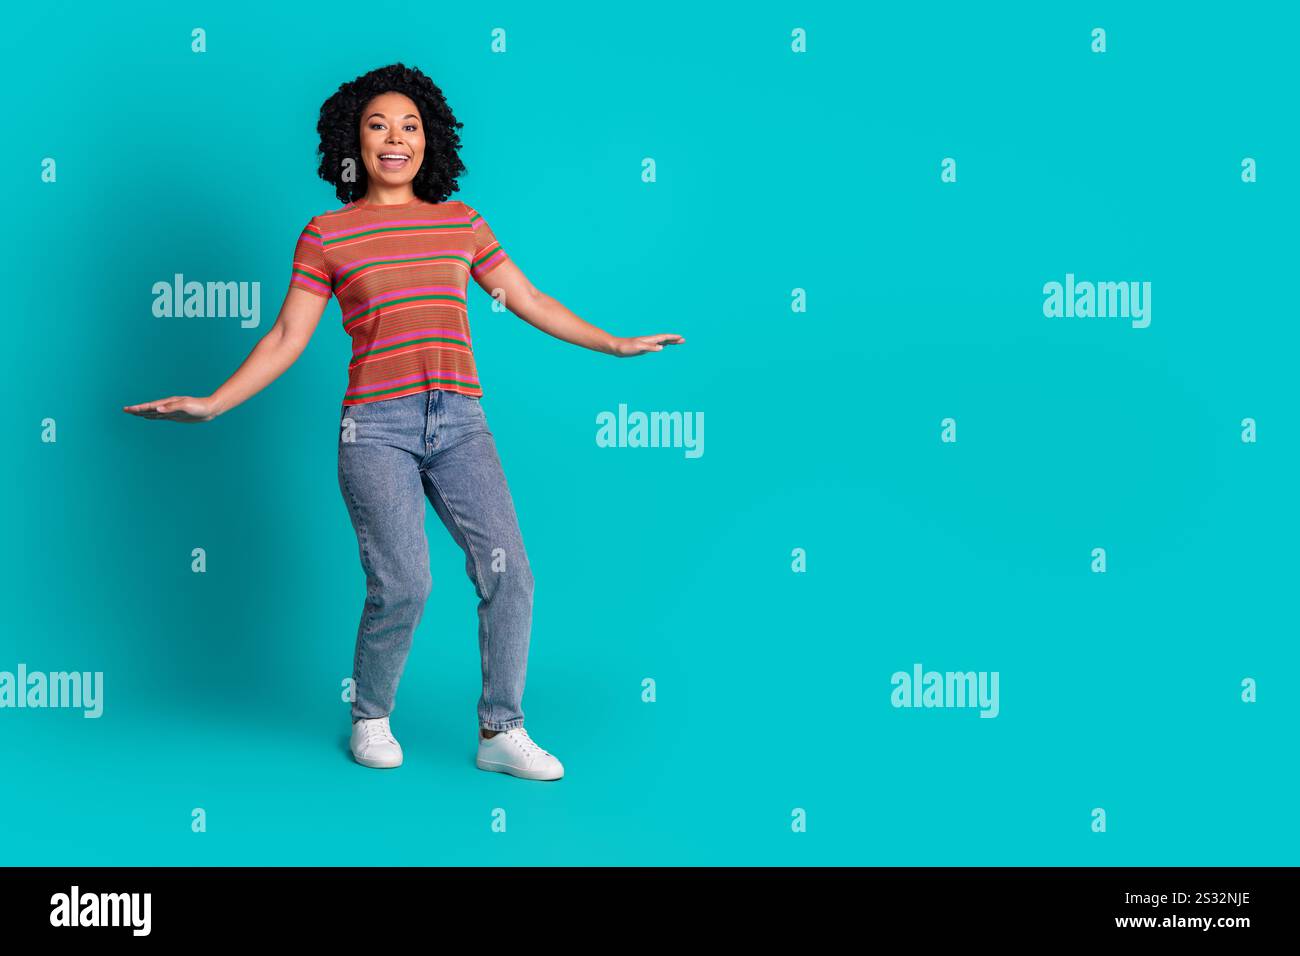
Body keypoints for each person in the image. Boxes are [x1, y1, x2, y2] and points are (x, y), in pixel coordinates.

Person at [123, 62, 684, 781]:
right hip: (375, 429)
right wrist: (215, 401)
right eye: (378, 125)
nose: (396, 138)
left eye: (411, 125)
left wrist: (612, 342)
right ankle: (371, 716)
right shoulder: (328, 233)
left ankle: (500, 730)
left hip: (459, 422)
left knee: (511, 572)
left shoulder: (461, 222)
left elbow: (528, 297)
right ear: (353, 141)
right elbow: (287, 336)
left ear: (431, 140)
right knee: (405, 583)